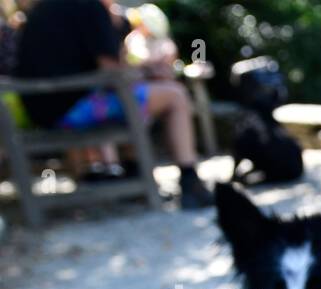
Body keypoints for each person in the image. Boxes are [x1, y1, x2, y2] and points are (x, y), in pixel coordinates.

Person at [13, 0, 212, 207]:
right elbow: (112, 72)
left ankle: (134, 175)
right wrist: (147, 74)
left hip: (42, 109)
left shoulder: (46, 7)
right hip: (71, 109)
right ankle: (189, 180)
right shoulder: (90, 7)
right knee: (174, 95)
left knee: (137, 100)